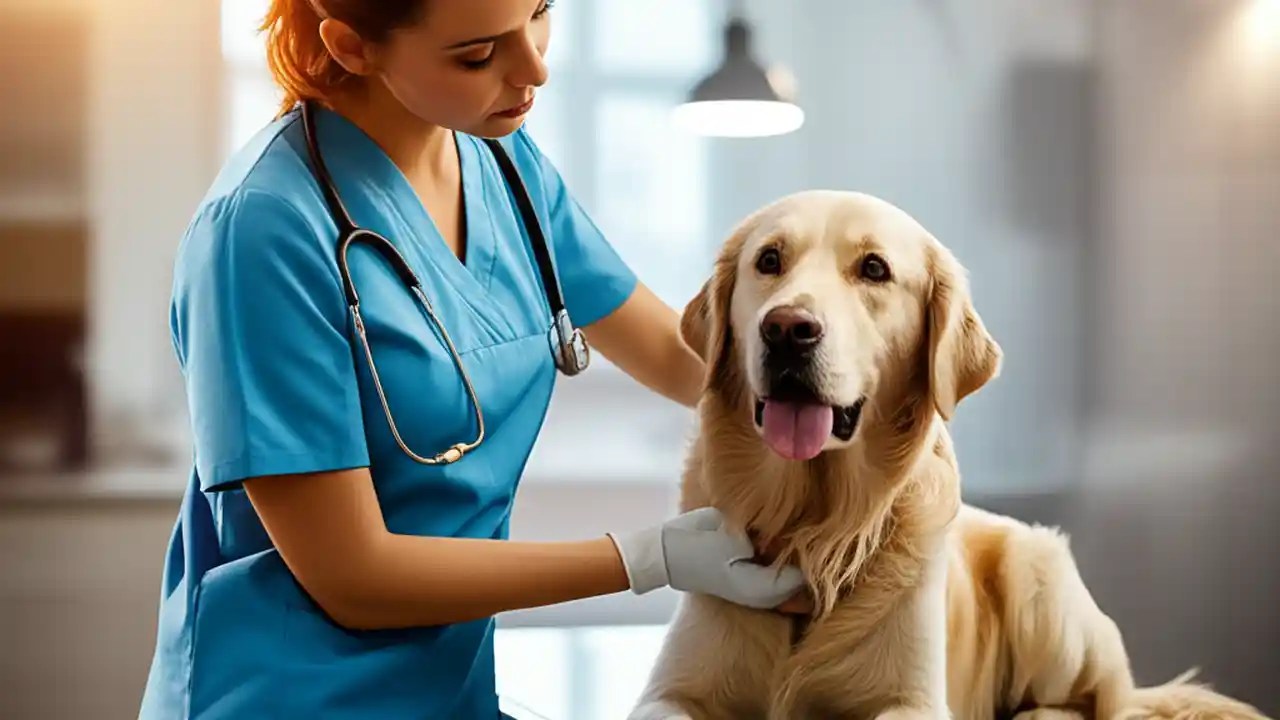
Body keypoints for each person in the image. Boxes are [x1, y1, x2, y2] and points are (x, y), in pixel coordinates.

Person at [136, 1, 808, 718]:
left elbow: (685, 362)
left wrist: (847, 383)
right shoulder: (261, 233)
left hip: (448, 693)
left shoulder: (503, 163)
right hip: (285, 697)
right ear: (353, 47)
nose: (536, 69)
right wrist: (650, 557)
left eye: (541, 13)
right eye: (478, 54)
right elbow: (351, 575)